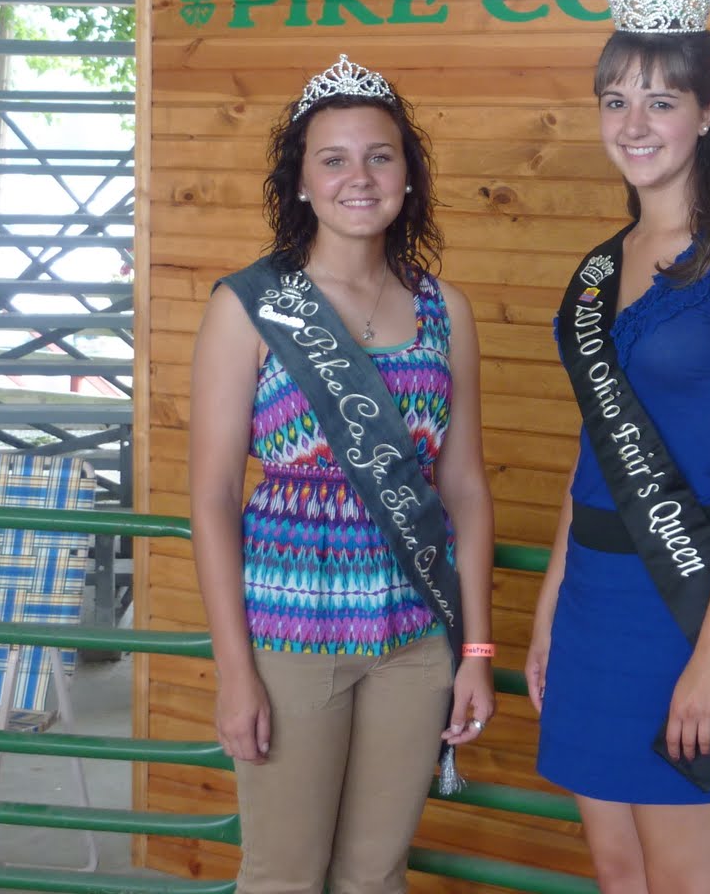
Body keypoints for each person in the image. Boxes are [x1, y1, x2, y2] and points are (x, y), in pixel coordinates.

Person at [526, 0, 710, 893]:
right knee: (618, 874)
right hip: (595, 602)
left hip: (687, 608)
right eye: (616, 100)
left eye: (661, 99)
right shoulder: (601, 267)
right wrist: (547, 613)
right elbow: (593, 454)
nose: (634, 124)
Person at [189, 55, 496, 894]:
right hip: (288, 631)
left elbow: (463, 487)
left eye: (380, 156)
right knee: (285, 874)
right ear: (299, 182)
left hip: (415, 635)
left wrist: (474, 649)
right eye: (333, 159)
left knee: (374, 875)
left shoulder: (446, 310)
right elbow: (213, 498)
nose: (358, 177)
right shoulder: (248, 307)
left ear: (408, 174)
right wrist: (236, 671)